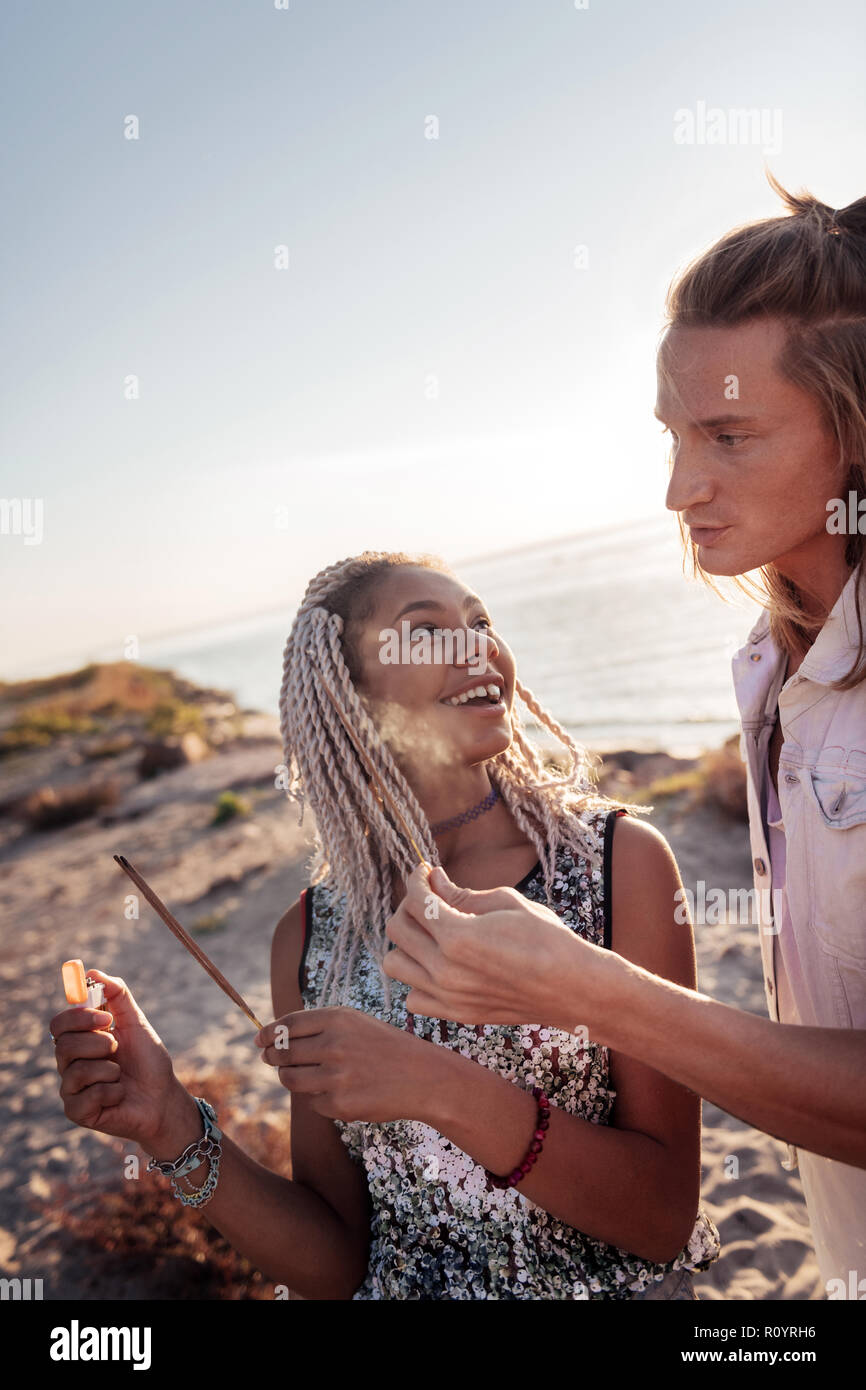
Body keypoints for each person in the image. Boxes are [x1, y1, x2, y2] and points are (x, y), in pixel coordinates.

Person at [383, 178, 866, 1298]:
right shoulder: (771, 662)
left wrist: (588, 987)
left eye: (728, 437)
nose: (675, 487)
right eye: (672, 433)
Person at [50, 552, 721, 1300]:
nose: (476, 647)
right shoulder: (310, 941)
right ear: (353, 700)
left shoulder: (615, 865)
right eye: (426, 632)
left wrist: (434, 1085)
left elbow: (661, 1218)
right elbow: (339, 1263)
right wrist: (170, 1124)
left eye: (480, 622)